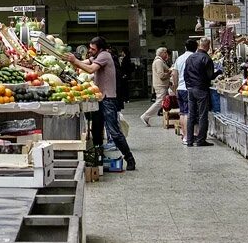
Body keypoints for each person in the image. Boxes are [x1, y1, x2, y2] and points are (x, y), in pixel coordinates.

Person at [68, 37, 135, 170]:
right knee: (97, 129)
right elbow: (86, 62)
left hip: (108, 99)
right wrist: (69, 61)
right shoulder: (98, 56)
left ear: (100, 48)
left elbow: (90, 69)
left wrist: (75, 61)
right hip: (100, 98)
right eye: (90, 48)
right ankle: (99, 156)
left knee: (114, 131)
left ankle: (129, 158)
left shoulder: (104, 55)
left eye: (93, 49)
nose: (90, 51)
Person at [183, 37, 215, 147]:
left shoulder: (190, 57)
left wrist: (188, 86)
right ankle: (201, 140)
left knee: (191, 115)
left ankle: (189, 140)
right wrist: (219, 72)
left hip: (190, 89)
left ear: (199, 45)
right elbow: (210, 76)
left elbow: (185, 73)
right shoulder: (206, 58)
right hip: (201, 89)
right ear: (208, 46)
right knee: (202, 115)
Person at [171, 39, 197, 138]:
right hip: (188, 89)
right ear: (196, 47)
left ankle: (184, 134)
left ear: (185, 47)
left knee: (182, 113)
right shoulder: (194, 57)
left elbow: (174, 74)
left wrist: (175, 87)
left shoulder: (179, 58)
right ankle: (188, 136)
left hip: (180, 88)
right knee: (188, 113)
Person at [140, 48, 172, 126]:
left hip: (162, 85)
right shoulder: (158, 62)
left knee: (161, 102)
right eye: (165, 52)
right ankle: (145, 116)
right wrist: (169, 73)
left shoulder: (161, 61)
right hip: (161, 85)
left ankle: (147, 116)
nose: (166, 54)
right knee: (159, 102)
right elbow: (161, 75)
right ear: (161, 53)